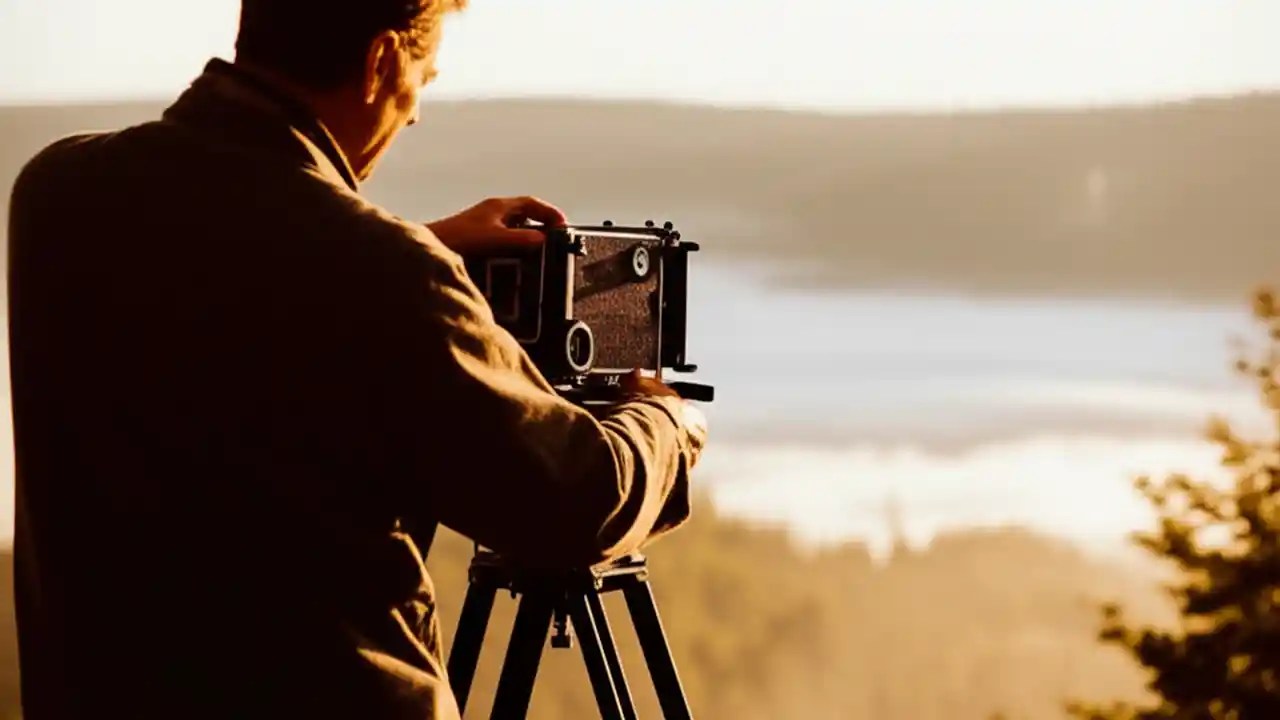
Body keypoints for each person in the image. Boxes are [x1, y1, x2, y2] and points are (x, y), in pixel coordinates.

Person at [5, 1, 707, 717]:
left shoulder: (56, 194)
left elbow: (233, 272)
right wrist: (662, 423)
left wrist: (418, 244)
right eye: (421, 83)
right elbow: (571, 500)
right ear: (379, 63)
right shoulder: (387, 276)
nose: (413, 116)